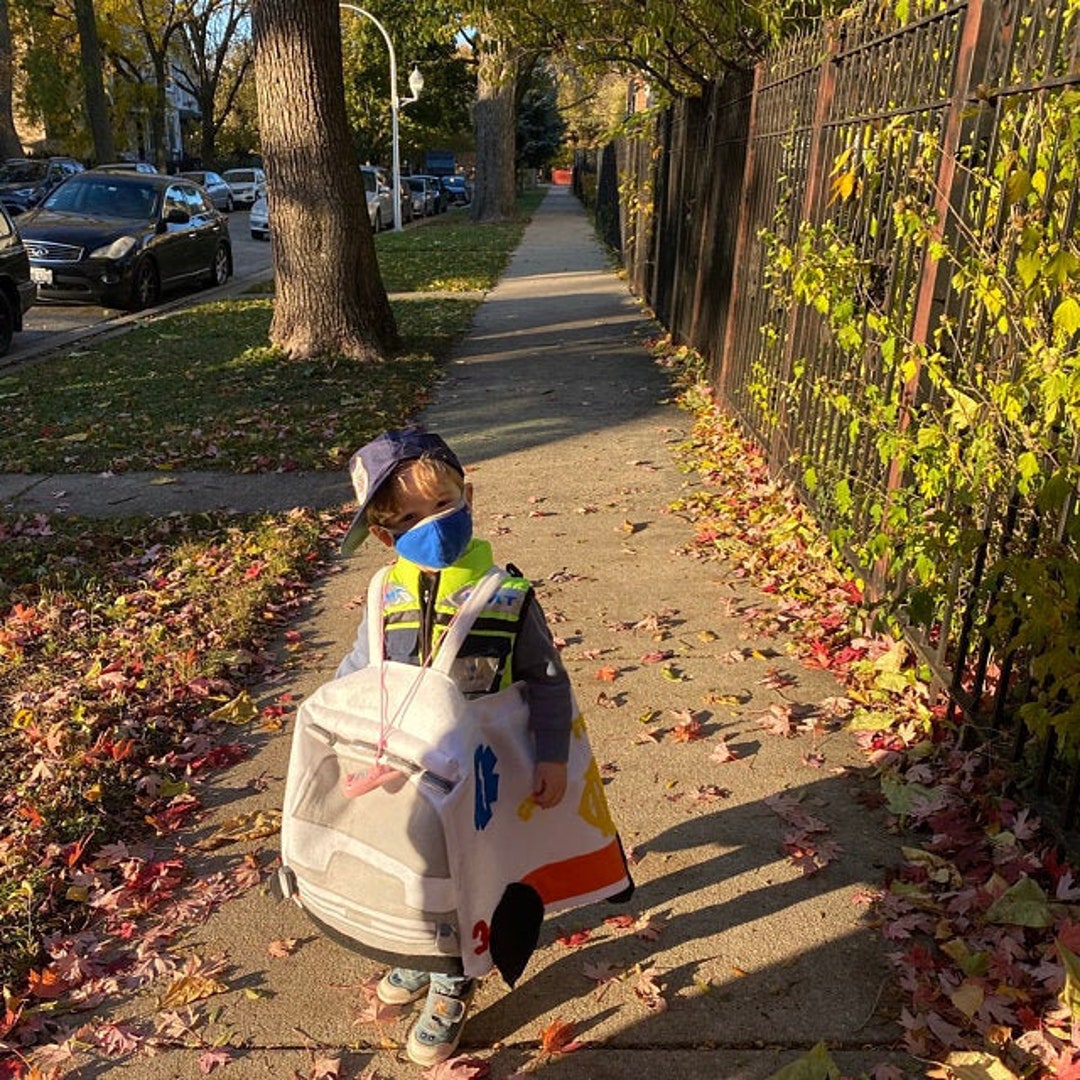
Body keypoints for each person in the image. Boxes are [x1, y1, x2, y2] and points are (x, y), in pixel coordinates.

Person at [334, 426, 572, 1066]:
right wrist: (341, 726)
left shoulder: (508, 595)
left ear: (468, 495)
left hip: (477, 774)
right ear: (386, 536)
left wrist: (552, 756)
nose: (430, 524)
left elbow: (547, 679)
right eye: (409, 518)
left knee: (466, 876)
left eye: (441, 505)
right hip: (406, 768)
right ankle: (421, 955)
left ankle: (453, 979)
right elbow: (362, 664)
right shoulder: (385, 592)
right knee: (415, 869)